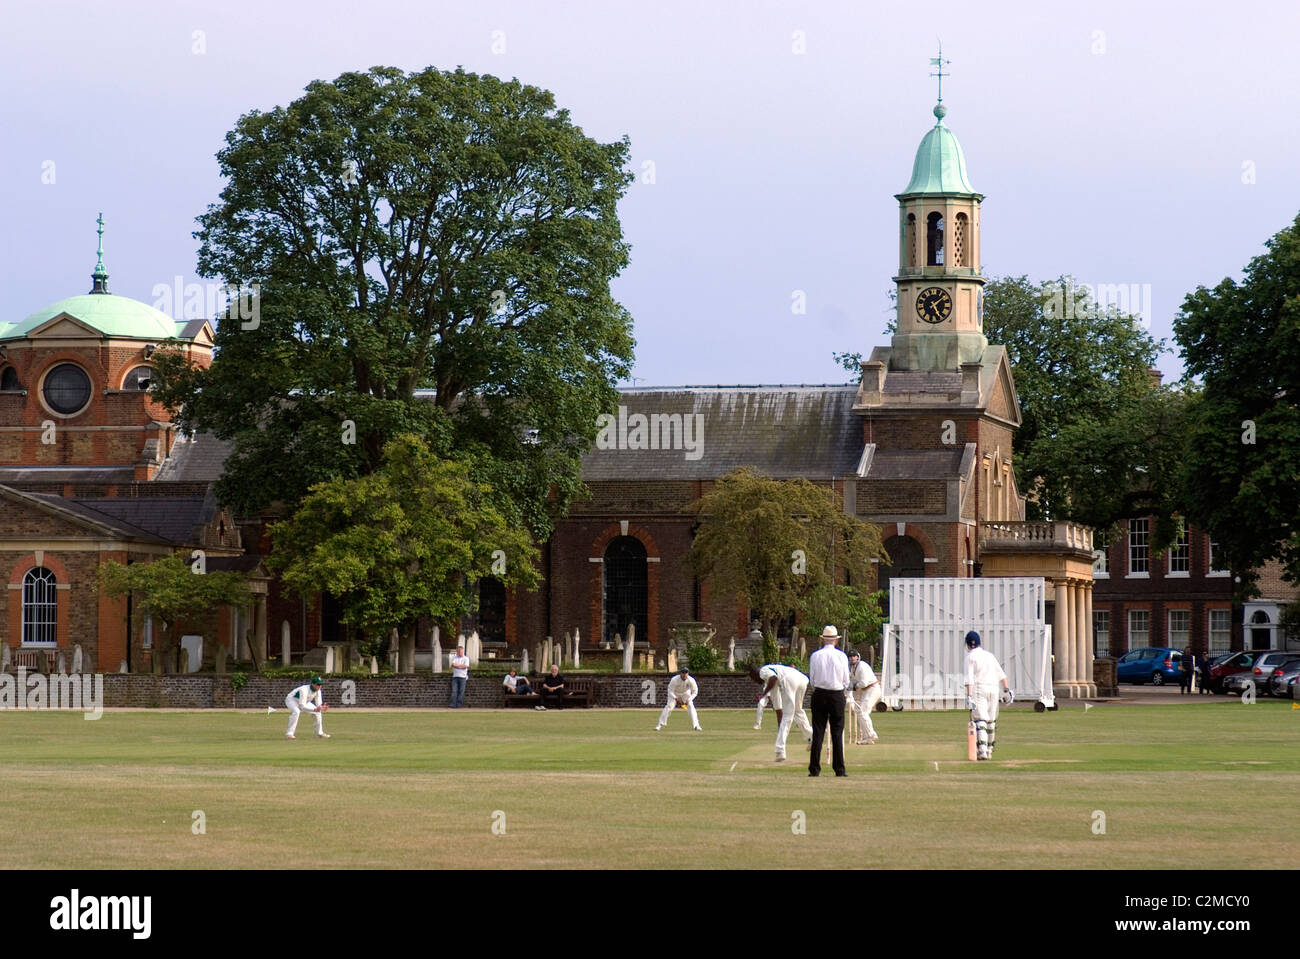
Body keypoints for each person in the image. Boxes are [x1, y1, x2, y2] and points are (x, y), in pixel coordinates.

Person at [808, 625, 851, 776]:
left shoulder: (815, 655)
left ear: (822, 639)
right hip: (836, 694)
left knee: (818, 731)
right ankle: (839, 769)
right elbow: (846, 680)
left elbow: (812, 679)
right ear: (836, 641)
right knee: (837, 732)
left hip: (819, 693)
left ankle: (814, 769)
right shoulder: (841, 656)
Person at [749, 663, 813, 762]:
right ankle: (812, 736)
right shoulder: (773, 671)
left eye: (753, 679)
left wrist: (763, 695)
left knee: (787, 716)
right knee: (798, 711)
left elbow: (773, 678)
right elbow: (778, 704)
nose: (755, 682)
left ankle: (780, 750)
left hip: (790, 680)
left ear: (755, 675)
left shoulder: (762, 671)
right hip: (802, 679)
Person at [964, 631, 1011, 760]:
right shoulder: (989, 656)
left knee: (981, 720)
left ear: (968, 644)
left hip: (980, 688)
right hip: (994, 689)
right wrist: (1006, 690)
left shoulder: (970, 657)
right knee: (991, 721)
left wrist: (969, 696)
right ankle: (989, 750)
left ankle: (982, 751)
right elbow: (1001, 675)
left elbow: (969, 679)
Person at [847, 650, 881, 744]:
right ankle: (867, 738)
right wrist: (849, 693)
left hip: (873, 688)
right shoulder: (852, 668)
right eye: (850, 656)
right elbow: (850, 682)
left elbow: (864, 683)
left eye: (854, 656)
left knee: (862, 712)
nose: (852, 658)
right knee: (859, 713)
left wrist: (853, 686)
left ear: (858, 657)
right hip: (867, 691)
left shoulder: (862, 666)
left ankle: (871, 734)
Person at [655, 665, 702, 731]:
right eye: (683, 672)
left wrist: (689, 699)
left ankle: (696, 725)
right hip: (674, 693)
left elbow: (695, 692)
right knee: (669, 707)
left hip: (686, 694)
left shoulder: (691, 680)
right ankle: (659, 725)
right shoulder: (674, 680)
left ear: (688, 673)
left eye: (686, 673)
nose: (684, 674)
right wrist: (676, 698)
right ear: (680, 673)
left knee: (691, 706)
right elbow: (670, 690)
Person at [285, 675, 329, 739]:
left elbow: (318, 704)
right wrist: (314, 709)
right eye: (318, 684)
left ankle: (319, 733)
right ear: (313, 684)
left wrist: (321, 708)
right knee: (296, 712)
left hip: (305, 702)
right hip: (292, 700)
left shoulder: (318, 691)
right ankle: (289, 734)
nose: (320, 686)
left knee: (318, 713)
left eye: (321, 684)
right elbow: (302, 706)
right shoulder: (304, 690)